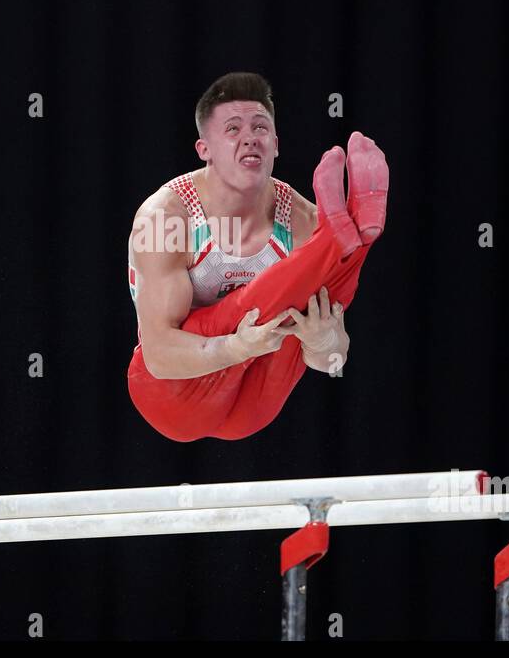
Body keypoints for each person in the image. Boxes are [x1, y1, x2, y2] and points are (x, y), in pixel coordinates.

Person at [126, 72, 389, 442]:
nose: (250, 137)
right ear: (204, 149)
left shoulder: (302, 219)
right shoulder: (167, 219)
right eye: (232, 129)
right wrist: (234, 347)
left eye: (260, 127)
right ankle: (352, 238)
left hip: (255, 404)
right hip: (173, 395)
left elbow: (333, 361)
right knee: (271, 297)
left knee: (299, 314)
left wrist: (321, 341)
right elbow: (158, 355)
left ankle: (358, 232)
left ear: (276, 144)